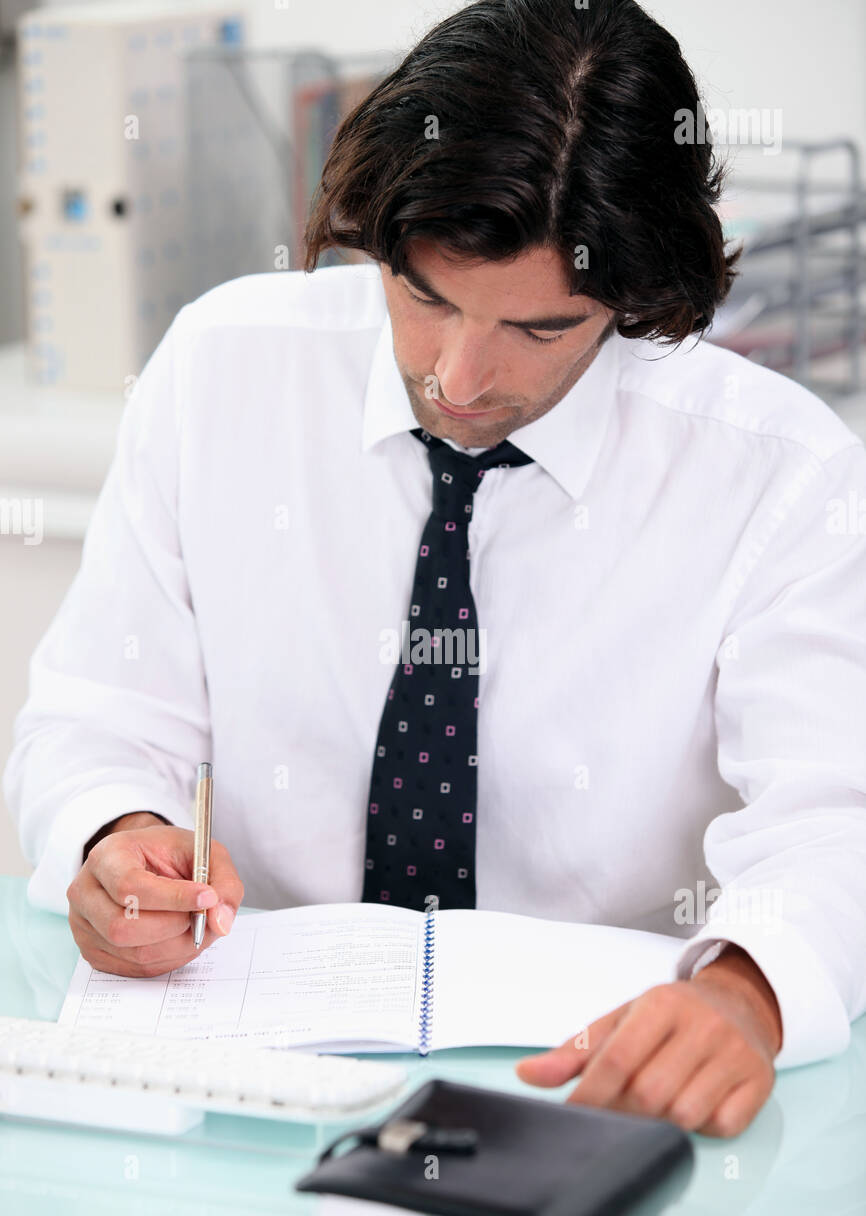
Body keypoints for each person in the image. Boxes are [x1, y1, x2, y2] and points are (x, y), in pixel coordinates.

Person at [5, 0, 866, 1138]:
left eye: (540, 328)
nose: (458, 377)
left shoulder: (780, 473)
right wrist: (114, 839)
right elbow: (97, 718)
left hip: (596, 1092)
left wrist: (743, 993)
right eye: (422, 295)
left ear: (635, 302)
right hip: (259, 1082)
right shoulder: (223, 370)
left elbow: (833, 820)